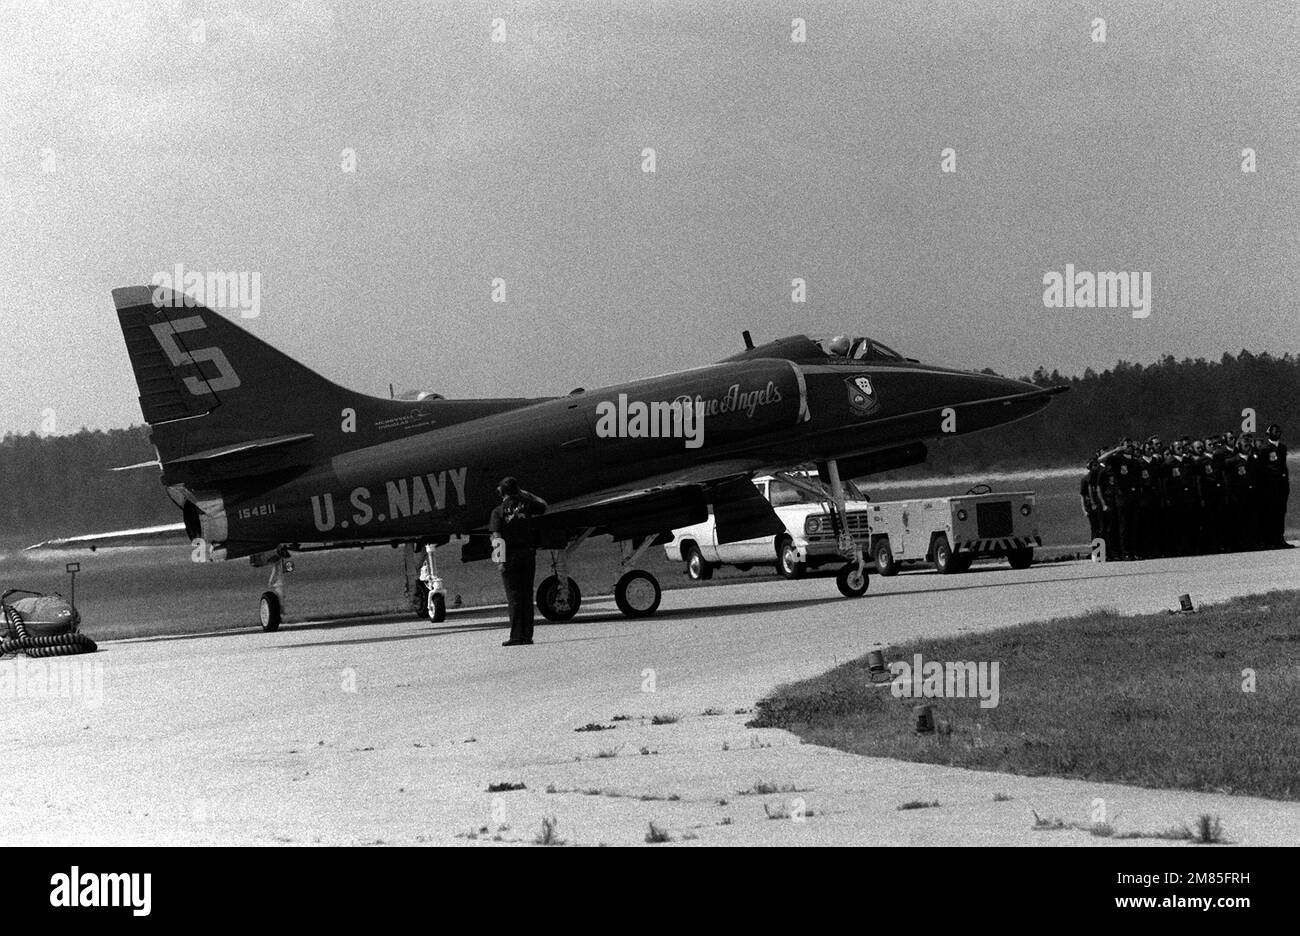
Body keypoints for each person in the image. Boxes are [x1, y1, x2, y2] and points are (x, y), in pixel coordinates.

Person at [488, 476, 548, 646]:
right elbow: (544, 506)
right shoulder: (527, 505)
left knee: (514, 597)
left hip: (510, 557)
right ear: (517, 490)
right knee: (527, 596)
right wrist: (527, 494)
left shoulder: (498, 511)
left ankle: (516, 636)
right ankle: (527, 636)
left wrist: (500, 560)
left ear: (501, 492)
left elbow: (496, 536)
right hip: (528, 554)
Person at [1262, 423, 1291, 548]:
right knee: (1271, 513)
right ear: (1269, 433)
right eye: (1274, 431)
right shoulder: (1265, 449)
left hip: (1282, 485)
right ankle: (1270, 540)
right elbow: (1262, 468)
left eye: (1278, 431)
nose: (1277, 433)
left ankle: (1280, 538)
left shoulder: (1283, 448)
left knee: (1281, 512)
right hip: (1270, 485)